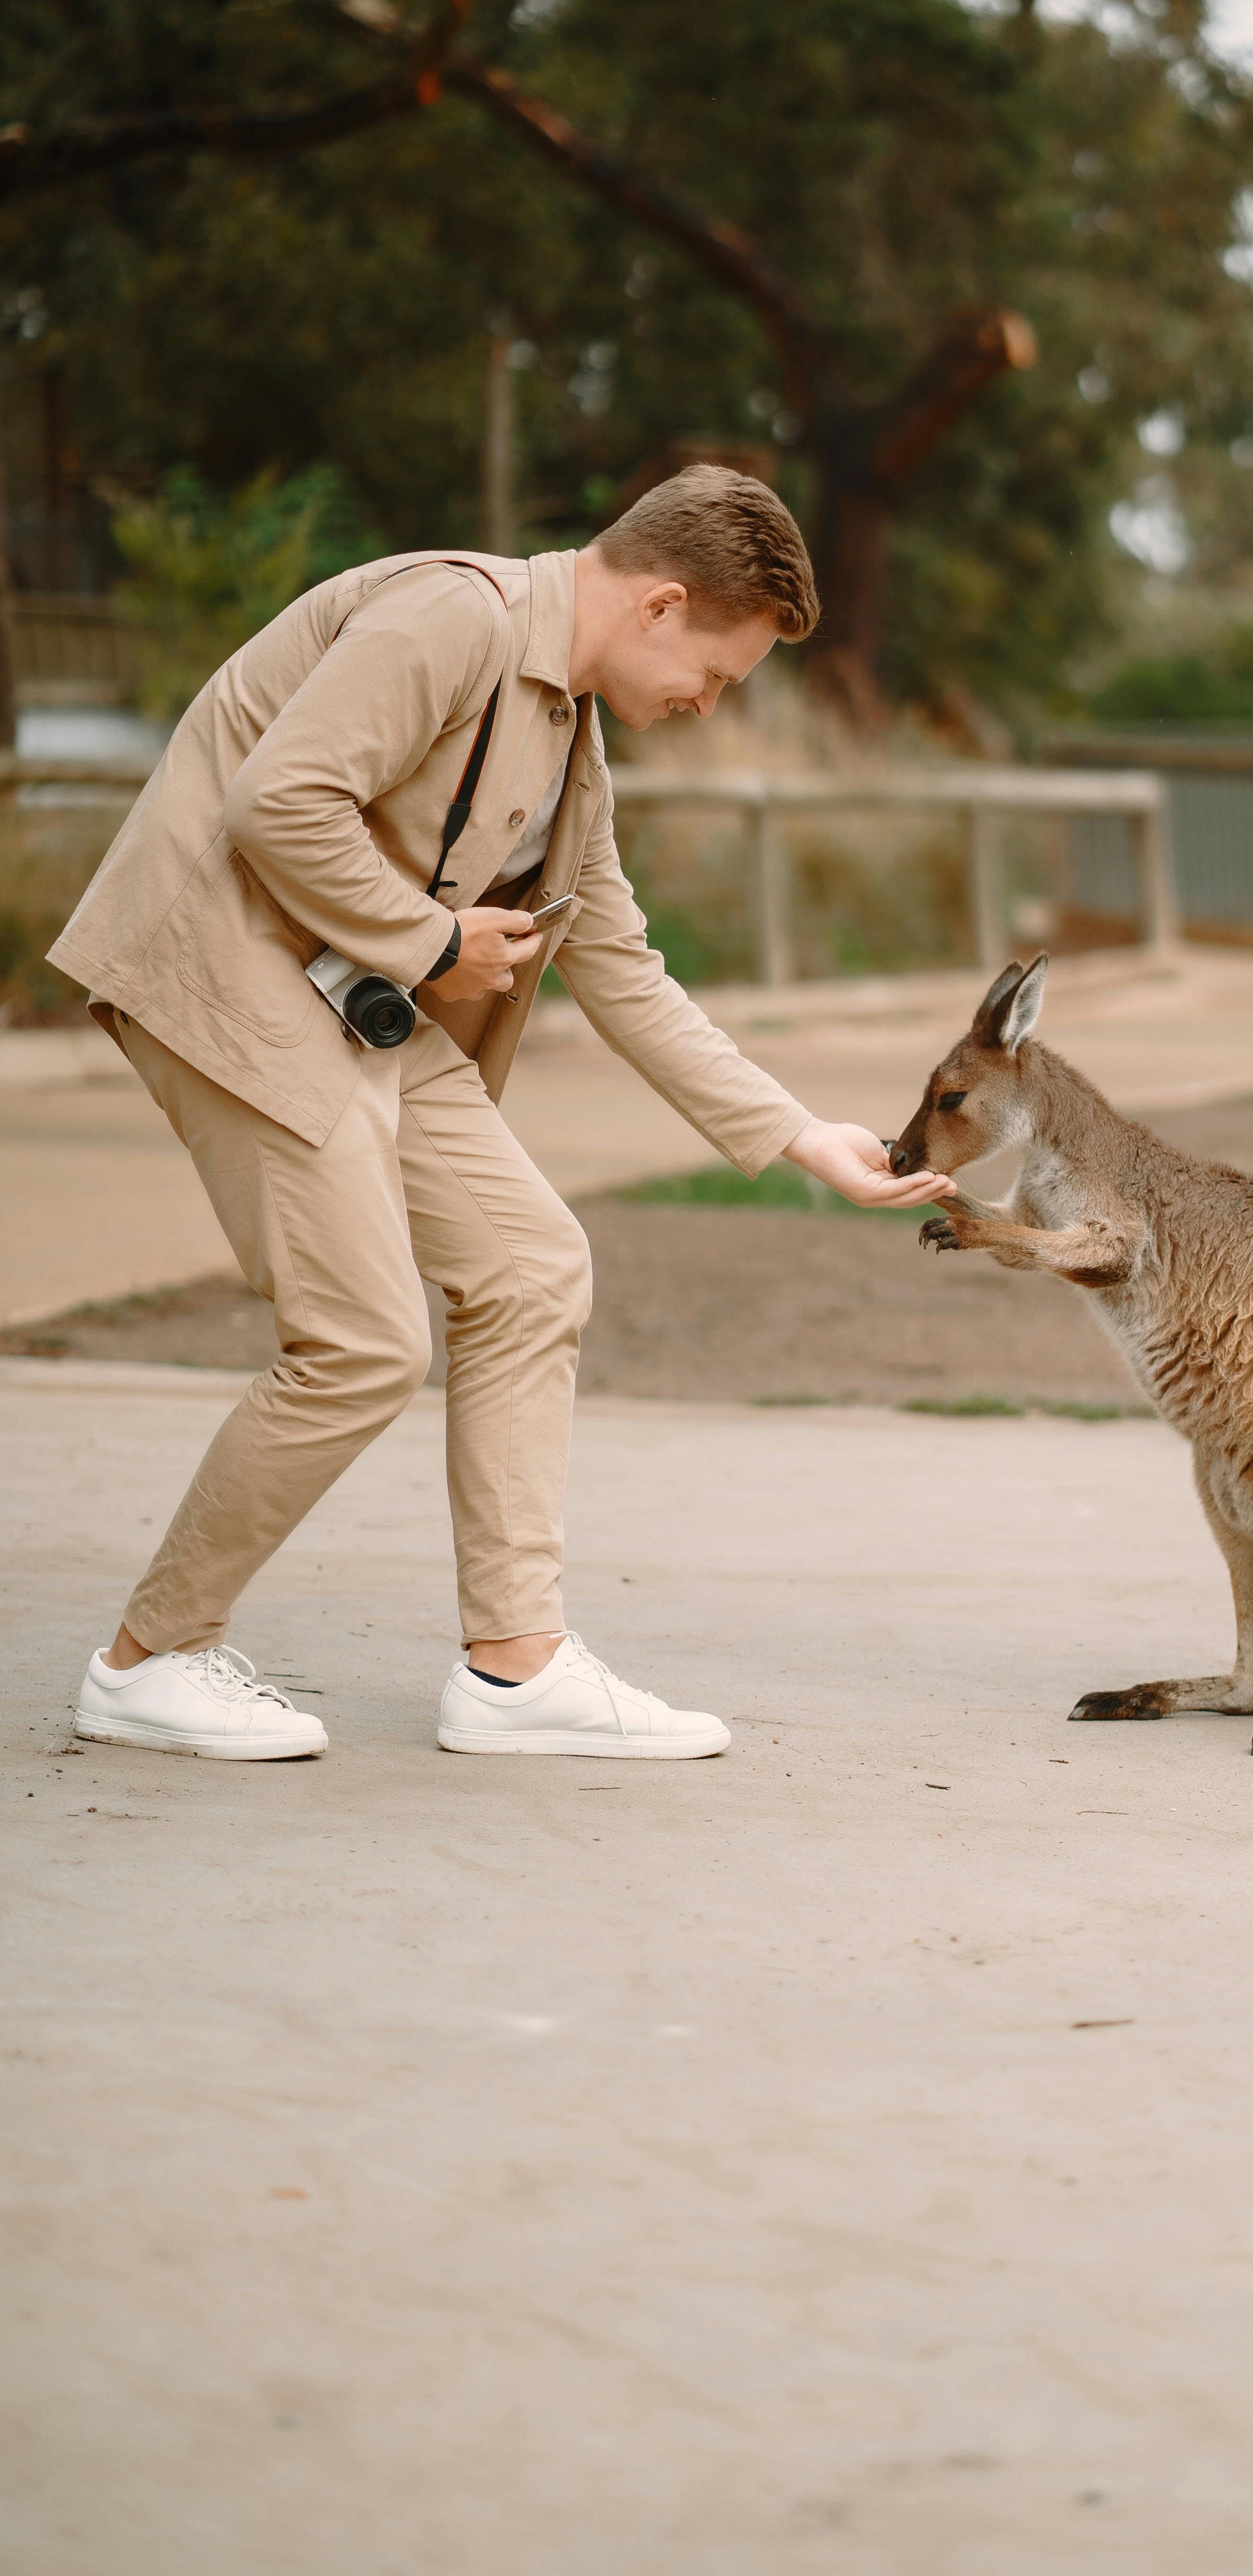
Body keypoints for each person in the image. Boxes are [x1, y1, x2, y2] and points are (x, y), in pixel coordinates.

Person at [50, 464, 954, 1764]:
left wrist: (799, 1134)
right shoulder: (454, 621)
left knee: (532, 1267)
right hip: (222, 971)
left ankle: (516, 1674)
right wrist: (428, 942)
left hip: (354, 992)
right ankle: (147, 1663)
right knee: (361, 1342)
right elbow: (276, 800)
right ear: (659, 605)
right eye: (721, 673)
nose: (710, 706)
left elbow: (622, 967)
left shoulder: (573, 736)